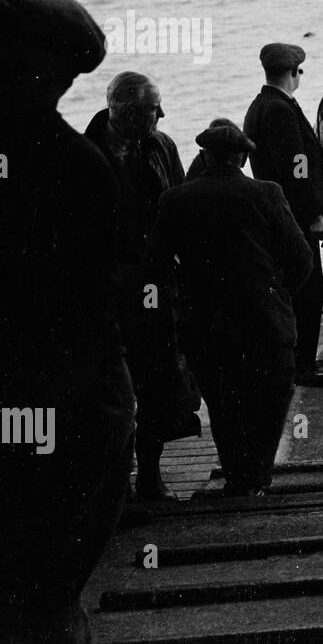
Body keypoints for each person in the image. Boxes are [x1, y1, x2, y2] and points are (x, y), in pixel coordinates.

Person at [0, 0, 134, 644]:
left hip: (48, 422)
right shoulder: (57, 163)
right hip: (24, 418)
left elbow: (59, 332)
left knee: (26, 609)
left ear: (36, 70)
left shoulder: (67, 172)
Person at [147, 123, 313, 495]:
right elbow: (302, 260)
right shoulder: (267, 193)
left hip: (206, 324)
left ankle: (239, 478)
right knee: (267, 401)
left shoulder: (175, 200)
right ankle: (257, 478)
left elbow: (156, 263)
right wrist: (276, 291)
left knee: (224, 406)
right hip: (265, 321)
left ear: (204, 156)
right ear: (242, 157)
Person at [84, 71, 198, 502]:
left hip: (158, 286)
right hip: (109, 294)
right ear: (128, 112)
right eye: (154, 108)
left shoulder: (162, 146)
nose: (163, 115)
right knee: (113, 391)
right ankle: (117, 487)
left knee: (159, 380)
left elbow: (181, 204)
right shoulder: (85, 155)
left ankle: (149, 475)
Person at [244, 43, 323, 388]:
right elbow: (296, 168)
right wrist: (313, 215)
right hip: (294, 216)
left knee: (295, 289)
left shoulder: (260, 106)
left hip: (278, 214)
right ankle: (302, 365)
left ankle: (299, 357)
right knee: (310, 289)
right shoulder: (280, 109)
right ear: (294, 73)